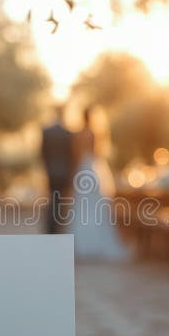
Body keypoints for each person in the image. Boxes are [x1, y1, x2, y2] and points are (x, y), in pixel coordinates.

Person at [68, 107, 130, 261]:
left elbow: (76, 155)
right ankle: (95, 243)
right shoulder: (95, 133)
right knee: (95, 207)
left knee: (83, 207)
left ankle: (83, 244)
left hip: (83, 170)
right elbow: (97, 153)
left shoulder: (78, 134)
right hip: (93, 171)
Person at [41, 104, 74, 234]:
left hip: (51, 172)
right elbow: (71, 156)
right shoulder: (68, 133)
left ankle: (51, 227)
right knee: (61, 201)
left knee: (52, 199)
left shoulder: (46, 131)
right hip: (64, 172)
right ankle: (58, 227)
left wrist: (47, 168)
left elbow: (43, 153)